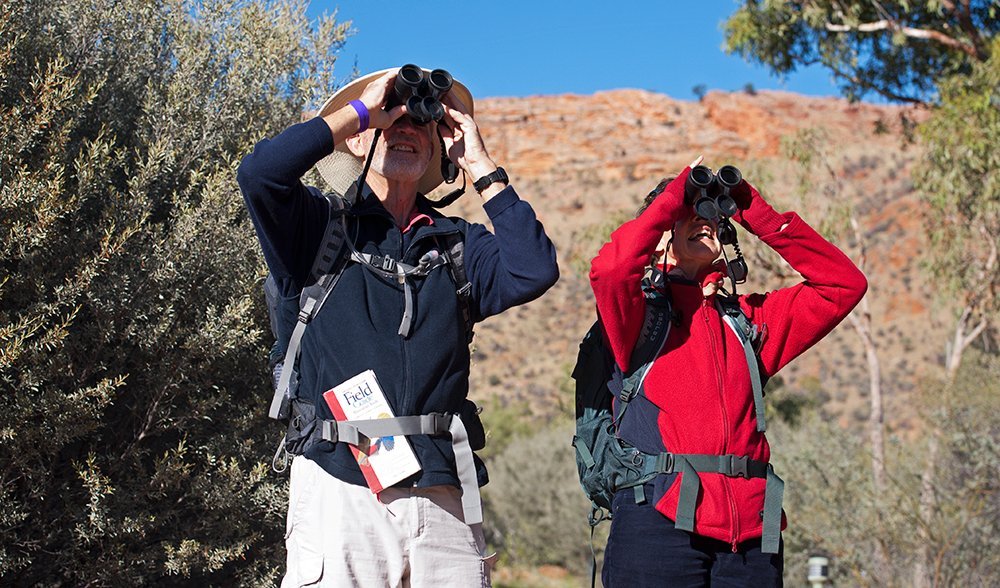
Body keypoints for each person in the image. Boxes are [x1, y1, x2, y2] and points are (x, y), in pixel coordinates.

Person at [237, 68, 558, 587]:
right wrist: (362, 110)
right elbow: (259, 175)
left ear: (439, 143)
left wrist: (478, 161)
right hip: (340, 483)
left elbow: (534, 268)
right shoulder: (316, 228)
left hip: (442, 493)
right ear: (358, 138)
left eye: (420, 121)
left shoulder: (457, 245)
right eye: (392, 118)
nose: (405, 127)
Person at [589, 157, 867, 587]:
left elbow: (842, 285)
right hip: (658, 519)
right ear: (659, 240)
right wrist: (673, 199)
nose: (706, 222)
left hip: (754, 531)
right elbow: (610, 269)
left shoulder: (750, 320)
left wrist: (751, 206)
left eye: (713, 218)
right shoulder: (638, 319)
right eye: (690, 214)